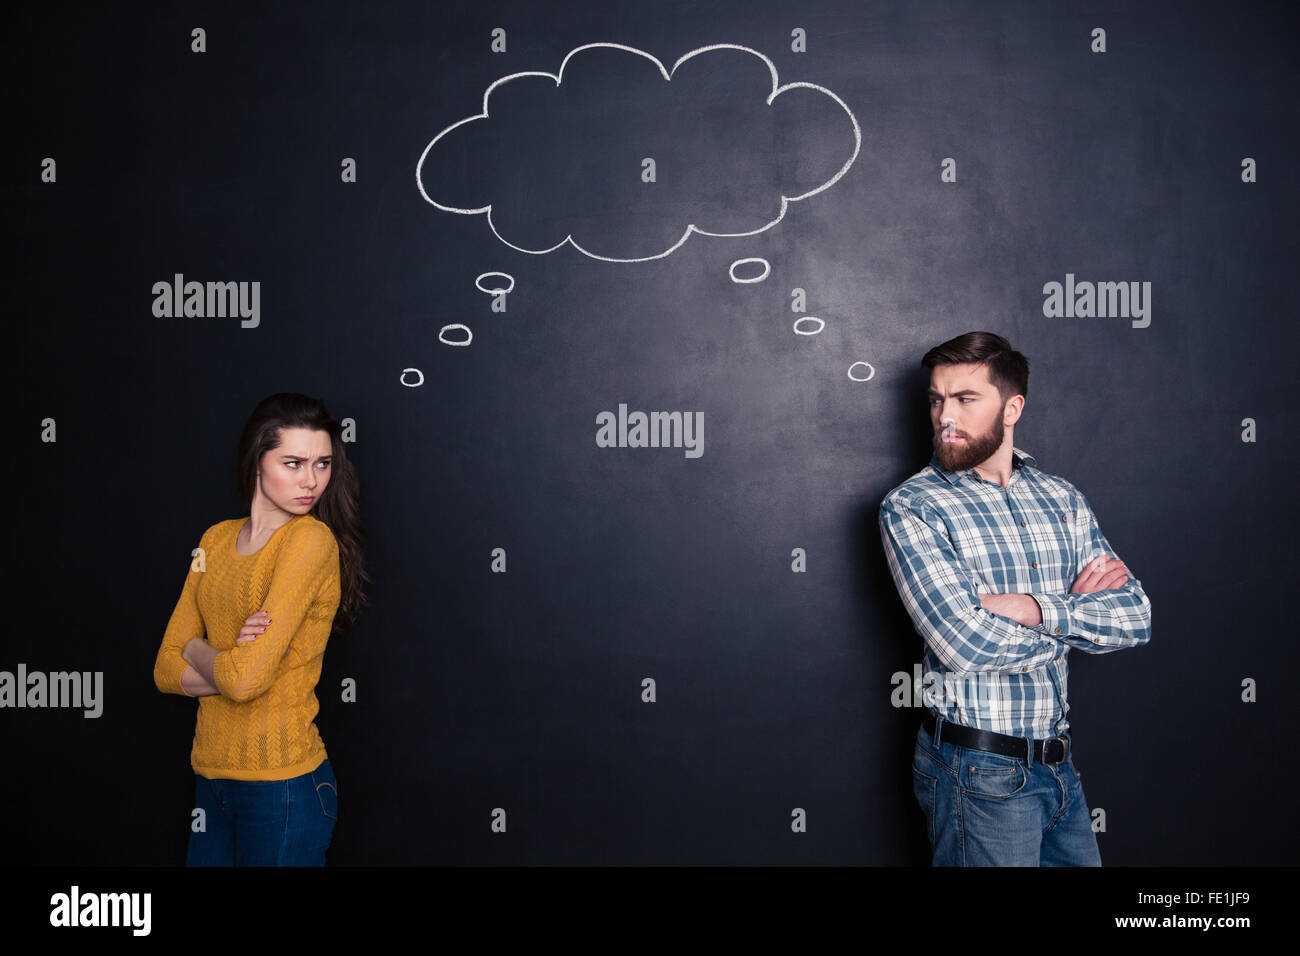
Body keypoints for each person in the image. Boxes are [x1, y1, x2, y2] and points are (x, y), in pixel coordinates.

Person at [877, 331, 1151, 866]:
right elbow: (964, 645)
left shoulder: (1061, 497)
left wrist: (1033, 608)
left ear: (1012, 407)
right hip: (977, 772)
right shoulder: (914, 506)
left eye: (965, 399)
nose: (944, 417)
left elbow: (1136, 616)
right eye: (936, 399)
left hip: (1060, 768)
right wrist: (1074, 620)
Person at [153, 393, 369, 865]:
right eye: (293, 463)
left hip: (284, 788)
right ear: (257, 459)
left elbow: (245, 681)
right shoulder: (214, 540)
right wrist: (231, 662)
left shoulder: (309, 541)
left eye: (322, 463)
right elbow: (164, 669)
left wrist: (197, 647)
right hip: (212, 781)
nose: (311, 480)